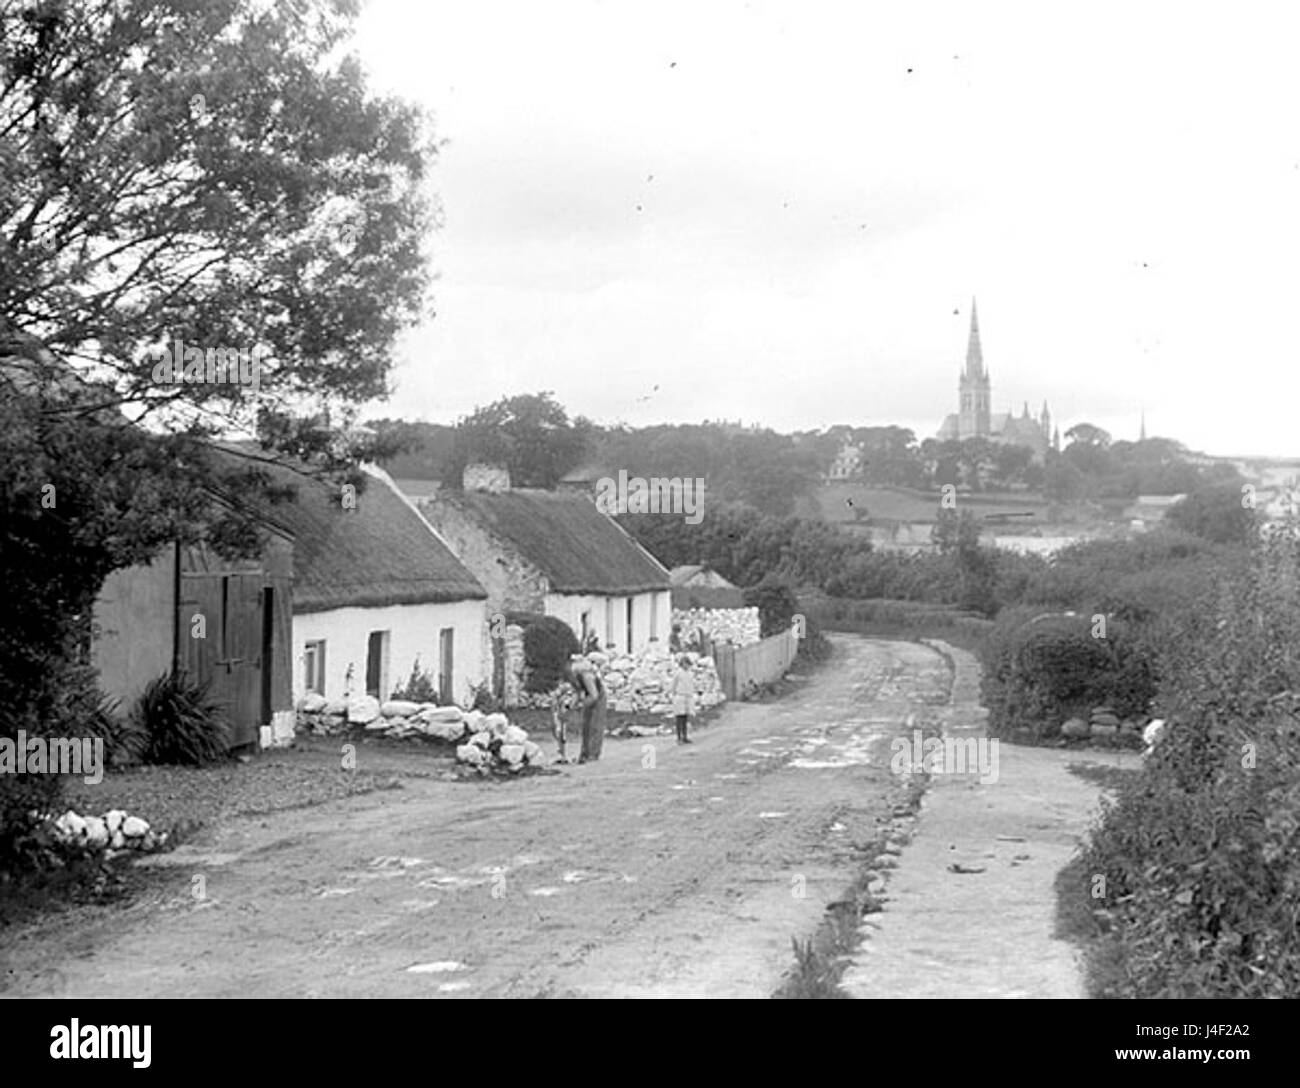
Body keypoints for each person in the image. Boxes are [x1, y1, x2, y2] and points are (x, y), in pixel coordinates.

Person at [568, 654, 607, 763]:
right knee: (586, 726)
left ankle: (593, 754)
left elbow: (594, 695)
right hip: (589, 696)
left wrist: (584, 704)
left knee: (595, 725)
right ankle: (584, 753)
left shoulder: (587, 676)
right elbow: (577, 692)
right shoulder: (575, 677)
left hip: (599, 697)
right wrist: (571, 706)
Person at [670, 654, 696, 744]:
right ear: (682, 663)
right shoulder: (678, 673)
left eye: (688, 664)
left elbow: (691, 685)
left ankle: (685, 736)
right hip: (679, 696)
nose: (687, 666)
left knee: (685, 717)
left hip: (687, 696)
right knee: (679, 717)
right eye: (685, 664)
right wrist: (673, 694)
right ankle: (679, 737)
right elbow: (673, 684)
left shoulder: (689, 673)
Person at [550, 679, 576, 763]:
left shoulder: (566, 696)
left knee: (561, 734)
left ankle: (563, 755)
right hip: (558, 715)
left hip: (561, 716)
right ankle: (561, 754)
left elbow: (568, 705)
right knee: (558, 733)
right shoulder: (558, 696)